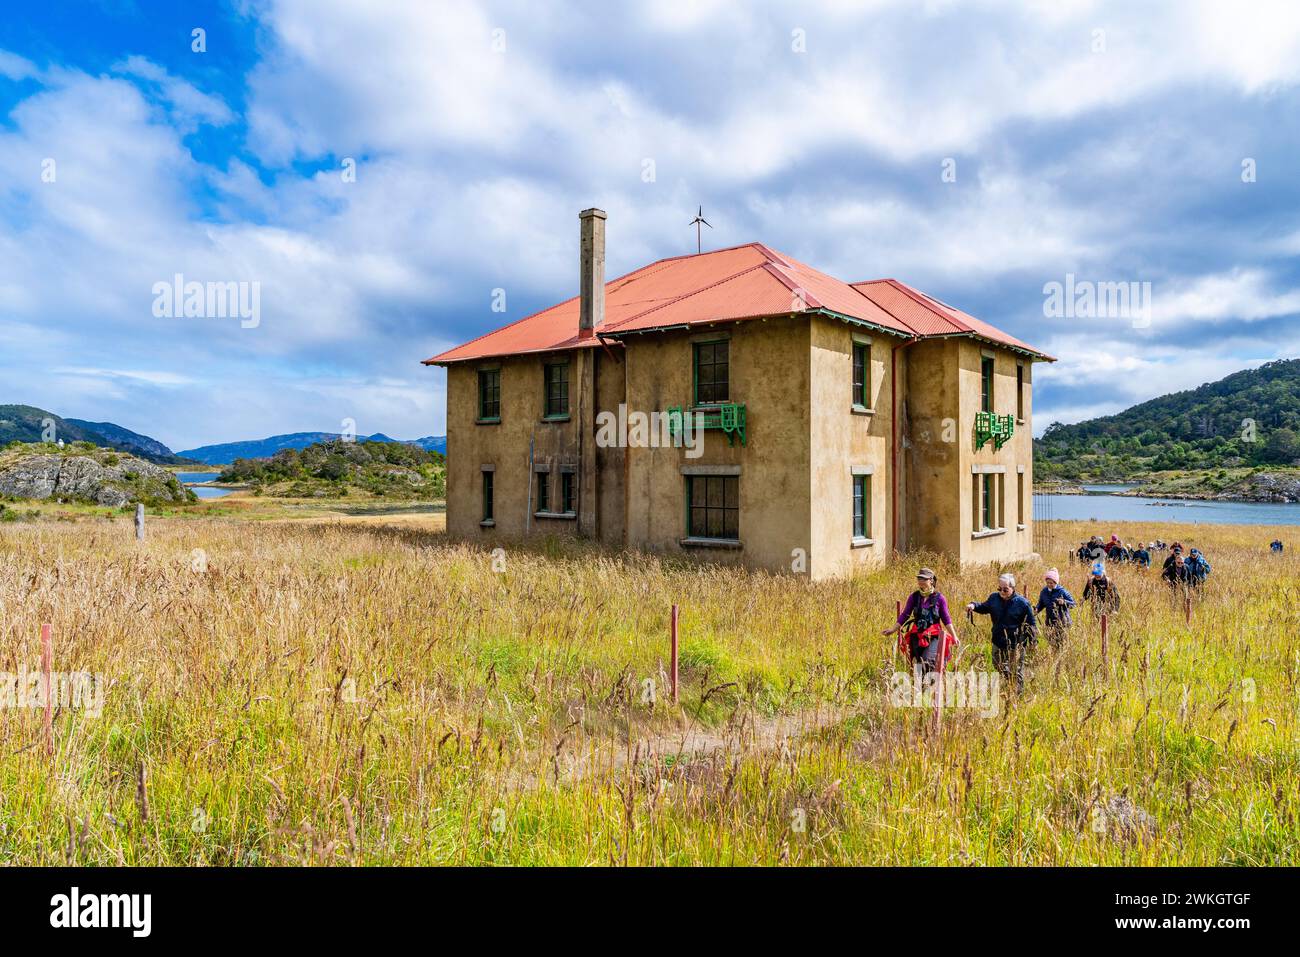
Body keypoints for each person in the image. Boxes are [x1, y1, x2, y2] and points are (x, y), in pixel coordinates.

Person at [966, 573, 1038, 693]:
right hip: (998, 641)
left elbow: (1031, 625)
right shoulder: (994, 598)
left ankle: (1017, 696)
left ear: (1013, 588)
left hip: (1015, 644)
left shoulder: (1022, 603)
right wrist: (973, 605)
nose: (1002, 592)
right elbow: (984, 607)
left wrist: (1032, 643)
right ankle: (1008, 682)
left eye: (1005, 589)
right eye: (999, 589)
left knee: (1016, 670)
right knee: (997, 665)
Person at [883, 568, 959, 675]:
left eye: (924, 579)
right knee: (918, 664)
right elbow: (905, 615)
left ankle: (931, 684)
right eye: (919, 578)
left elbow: (946, 619)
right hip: (916, 635)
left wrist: (954, 636)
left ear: (931, 580)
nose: (920, 581)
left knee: (927, 660)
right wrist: (892, 630)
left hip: (934, 636)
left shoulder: (940, 598)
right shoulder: (914, 597)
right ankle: (920, 688)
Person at [1035, 568, 1076, 649]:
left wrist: (1064, 602)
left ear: (1056, 582)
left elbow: (1073, 604)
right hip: (1050, 622)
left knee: (1061, 644)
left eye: (1051, 583)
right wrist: (1037, 609)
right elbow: (1041, 603)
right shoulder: (1044, 591)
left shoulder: (1062, 591)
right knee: (1052, 643)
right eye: (1047, 582)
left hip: (1062, 622)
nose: (1049, 584)